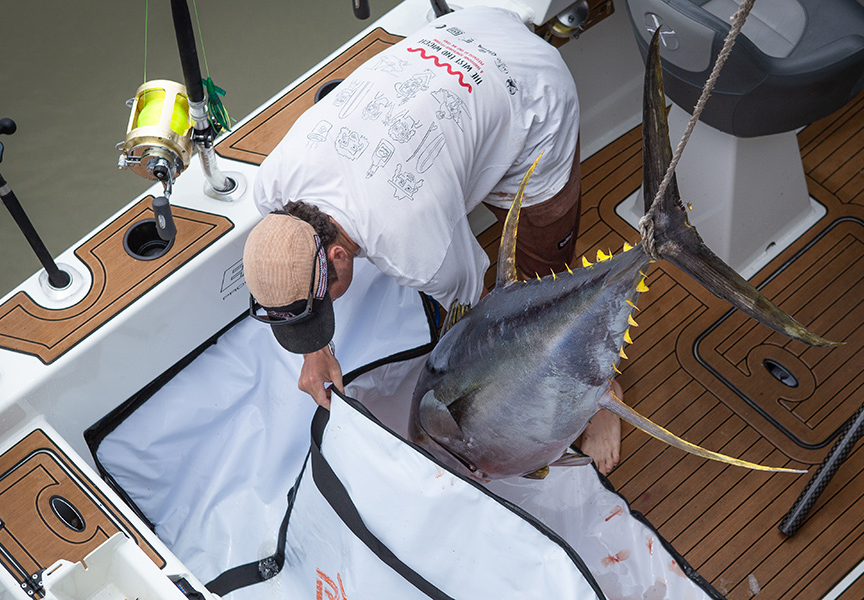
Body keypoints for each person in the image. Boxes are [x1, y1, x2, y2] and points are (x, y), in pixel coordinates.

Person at [243, 5, 621, 475]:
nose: (324, 313)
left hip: (530, 92)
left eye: (321, 306)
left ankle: (603, 393)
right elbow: (292, 279)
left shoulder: (415, 252)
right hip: (457, 36)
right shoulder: (270, 186)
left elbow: (483, 316)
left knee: (544, 286)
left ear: (339, 256)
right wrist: (314, 354)